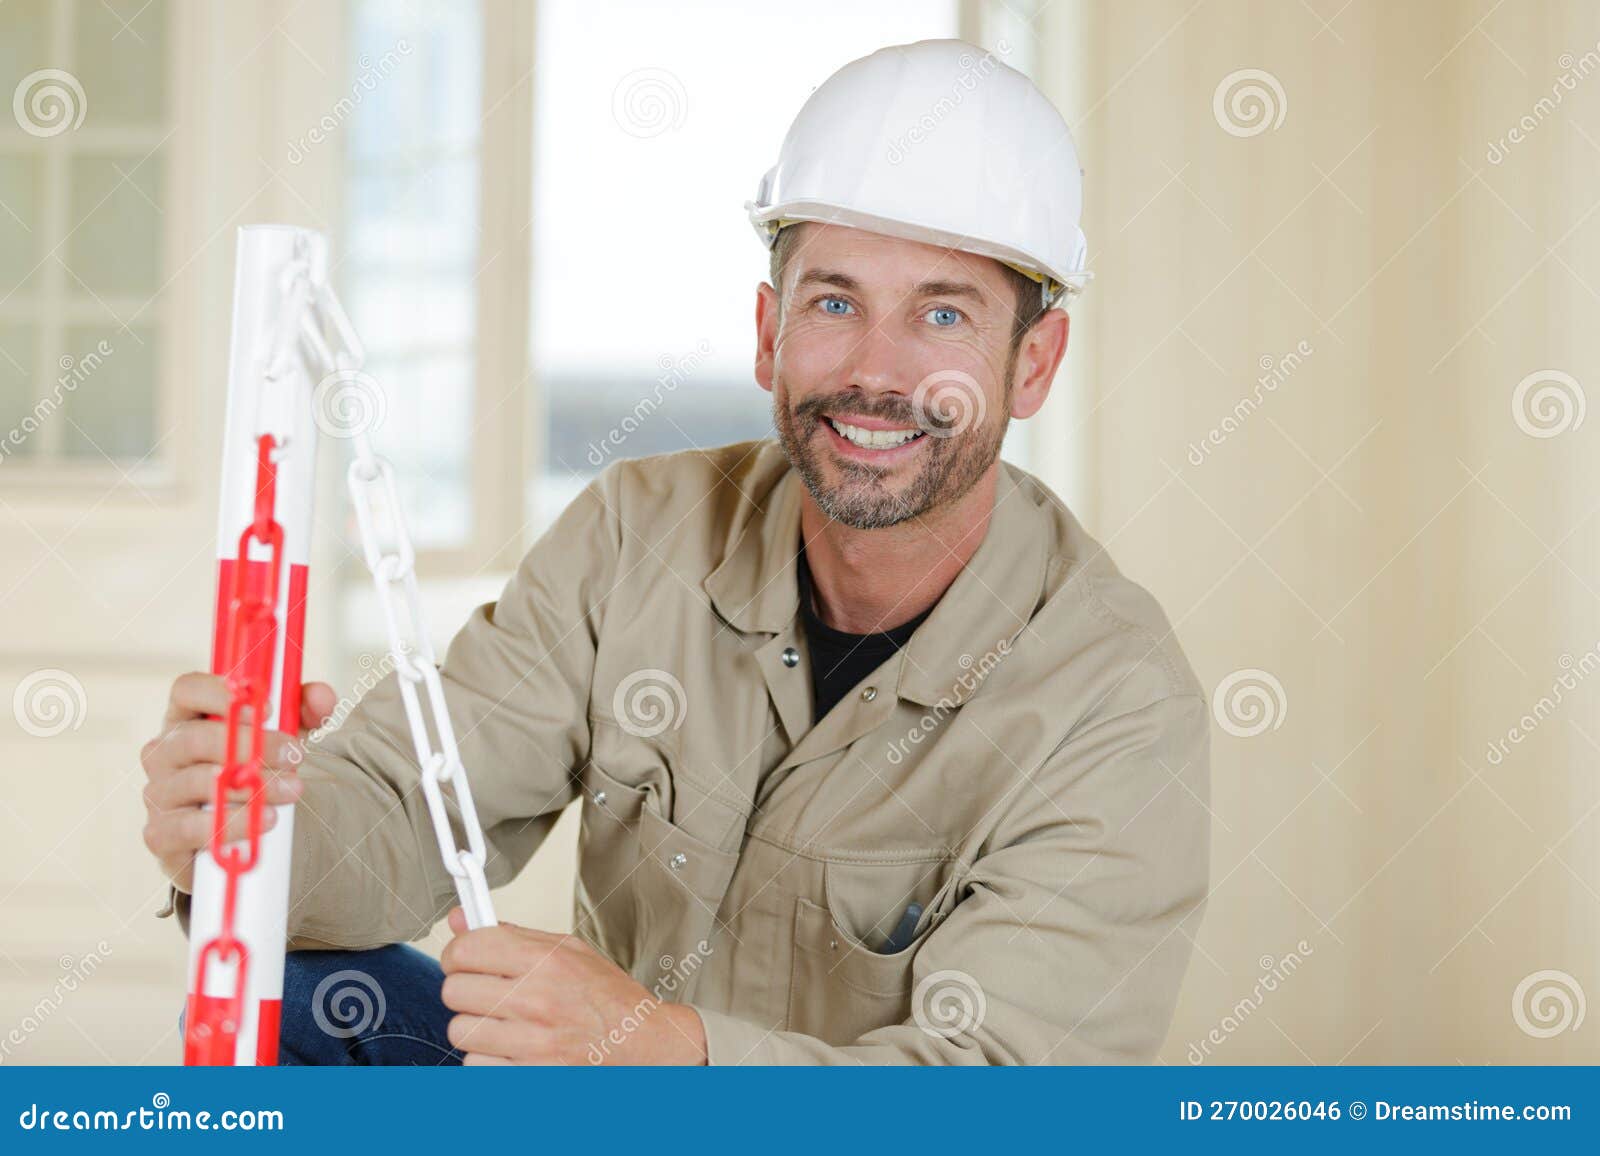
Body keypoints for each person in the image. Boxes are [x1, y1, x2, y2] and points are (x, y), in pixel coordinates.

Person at [142, 38, 1210, 1065]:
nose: (877, 370)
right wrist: (251, 831)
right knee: (308, 1000)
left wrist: (665, 1051)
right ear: (767, 331)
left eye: (942, 315)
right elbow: (406, 807)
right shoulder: (635, 534)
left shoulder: (1110, 696)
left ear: (1033, 363)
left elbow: (998, 1092)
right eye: (833, 302)